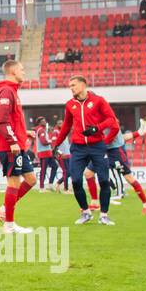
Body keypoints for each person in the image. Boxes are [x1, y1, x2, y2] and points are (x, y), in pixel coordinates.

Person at [51, 75, 120, 225]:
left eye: (74, 85)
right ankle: (85, 212)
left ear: (83, 85)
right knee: (75, 180)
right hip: (78, 147)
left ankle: (104, 215)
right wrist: (56, 144)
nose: (71, 88)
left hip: (97, 146)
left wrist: (97, 128)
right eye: (70, 86)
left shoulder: (99, 100)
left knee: (103, 181)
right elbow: (66, 126)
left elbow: (111, 120)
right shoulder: (70, 104)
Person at [0, 59, 37, 234]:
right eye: (22, 69)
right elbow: (2, 121)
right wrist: (13, 141)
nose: (24, 72)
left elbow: (12, 120)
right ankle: (9, 224)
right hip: (10, 147)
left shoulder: (13, 92)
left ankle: (4, 209)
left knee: (31, 180)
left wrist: (25, 133)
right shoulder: (6, 92)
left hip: (16, 144)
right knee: (14, 182)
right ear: (13, 71)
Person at [106, 130, 146, 214]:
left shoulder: (110, 123)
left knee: (129, 178)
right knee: (93, 173)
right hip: (107, 152)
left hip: (116, 153)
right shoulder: (101, 122)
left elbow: (121, 138)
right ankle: (97, 204)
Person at [34, 117, 58, 189]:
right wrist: (51, 141)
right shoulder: (41, 130)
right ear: (39, 123)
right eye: (42, 121)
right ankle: (41, 187)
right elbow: (43, 142)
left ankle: (50, 184)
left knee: (55, 166)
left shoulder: (43, 130)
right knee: (43, 169)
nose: (44, 122)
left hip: (47, 153)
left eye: (45, 120)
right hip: (43, 153)